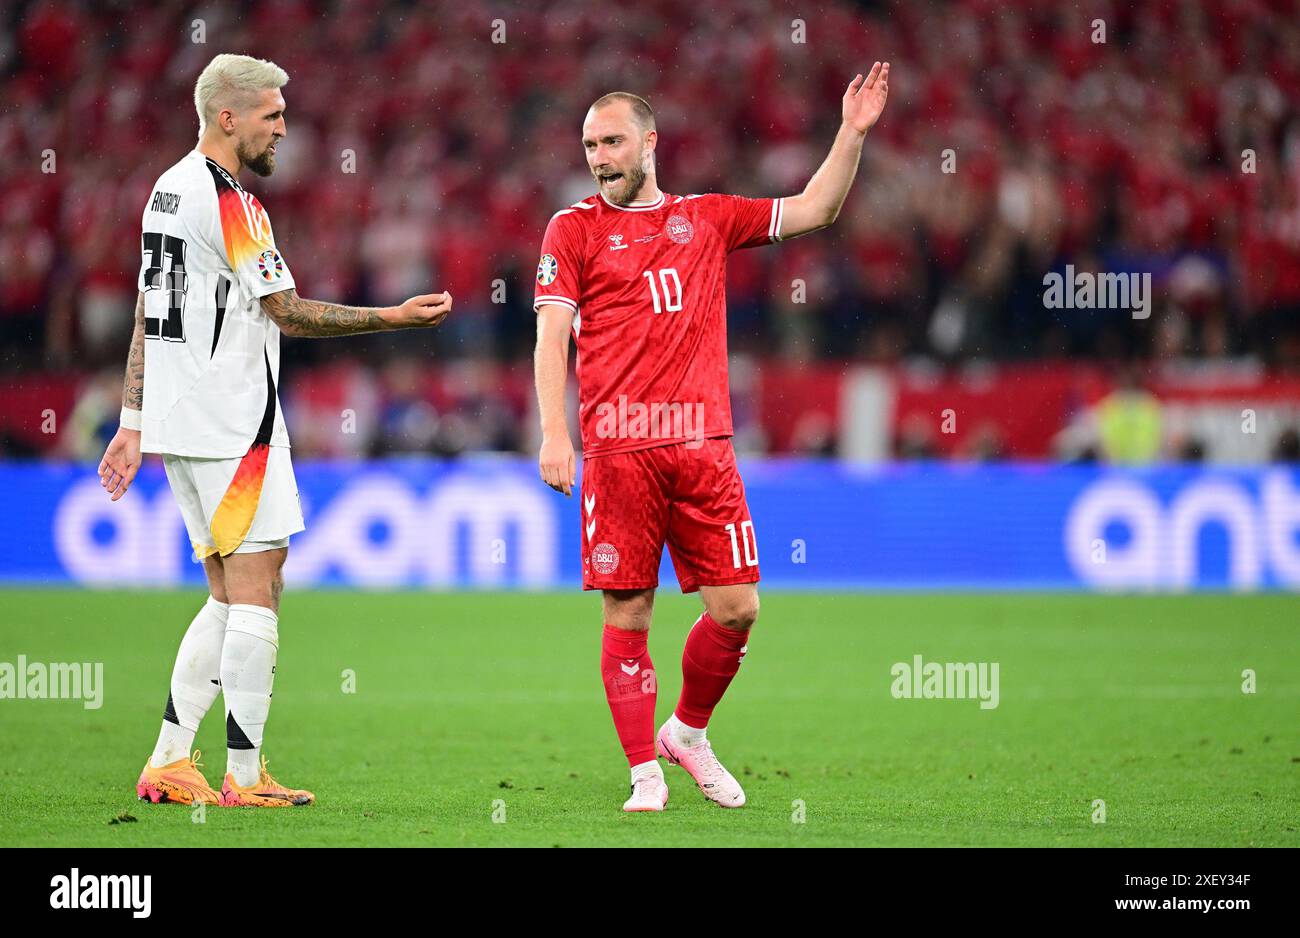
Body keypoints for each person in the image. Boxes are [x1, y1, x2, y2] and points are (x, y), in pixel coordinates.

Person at [97, 53, 452, 808]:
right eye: (272, 117)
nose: (284, 131)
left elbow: (146, 314)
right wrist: (389, 317)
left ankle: (168, 759)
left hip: (180, 422)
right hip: (232, 424)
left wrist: (133, 422)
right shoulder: (232, 204)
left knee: (230, 592)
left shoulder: (165, 190)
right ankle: (246, 776)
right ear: (229, 117)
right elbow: (287, 309)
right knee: (258, 588)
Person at [533, 64, 890, 811]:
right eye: (590, 145)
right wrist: (553, 433)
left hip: (705, 450)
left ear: (650, 142)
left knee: (738, 609)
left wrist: (851, 134)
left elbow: (817, 207)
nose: (599, 158)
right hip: (619, 449)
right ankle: (643, 773)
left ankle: (687, 734)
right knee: (628, 614)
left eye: (613, 142)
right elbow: (552, 336)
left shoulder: (710, 217)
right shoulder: (572, 229)